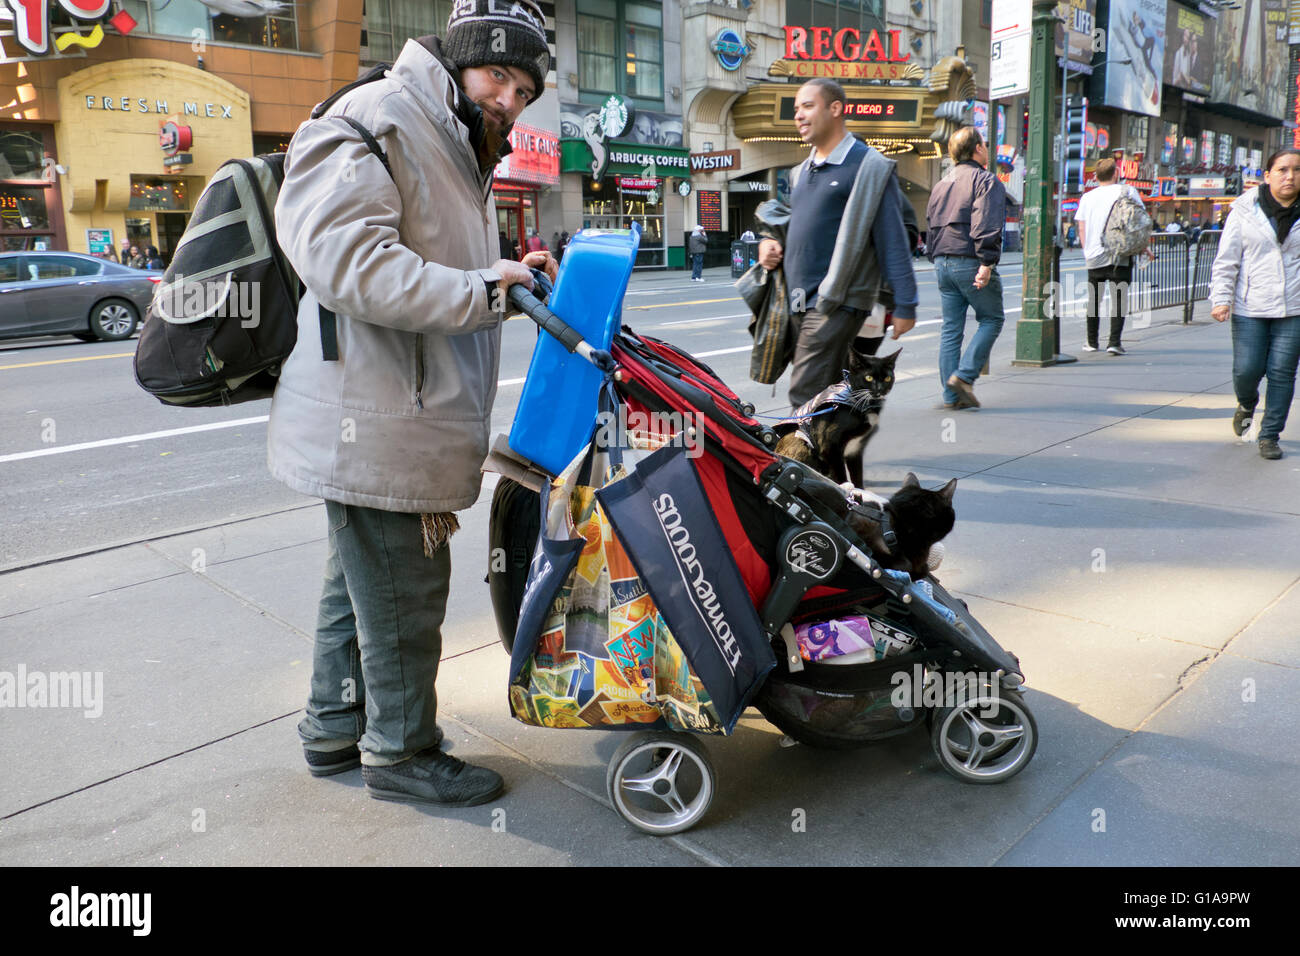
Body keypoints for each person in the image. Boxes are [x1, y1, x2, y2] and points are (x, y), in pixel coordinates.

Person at [267, 0, 556, 806]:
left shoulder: (451, 133)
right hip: (377, 414)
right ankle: (400, 753)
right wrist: (480, 291)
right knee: (404, 594)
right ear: (460, 59)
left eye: (526, 89)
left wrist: (506, 268)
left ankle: (332, 729)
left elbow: (428, 247)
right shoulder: (379, 117)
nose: (509, 98)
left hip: (395, 409)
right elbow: (349, 262)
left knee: (356, 584)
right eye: (499, 73)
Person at [756, 78, 918, 407]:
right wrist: (770, 242)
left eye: (807, 106)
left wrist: (905, 304)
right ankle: (831, 454)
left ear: (835, 109)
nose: (798, 115)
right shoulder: (801, 172)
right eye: (796, 108)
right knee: (832, 390)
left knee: (804, 391)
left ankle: (797, 457)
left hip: (837, 301)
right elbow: (792, 223)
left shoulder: (868, 166)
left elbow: (893, 239)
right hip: (798, 299)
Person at [1209, 147, 1300, 460]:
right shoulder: (1244, 210)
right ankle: (1247, 403)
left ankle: (1269, 435)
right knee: (1247, 370)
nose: (1290, 176)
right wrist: (1221, 299)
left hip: (1294, 307)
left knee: (1282, 372)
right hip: (1251, 306)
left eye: (1297, 170)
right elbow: (1227, 260)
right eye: (1283, 170)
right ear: (1267, 175)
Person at [926, 126, 1006, 409]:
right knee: (992, 318)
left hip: (942, 261)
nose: (986, 148)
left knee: (951, 329)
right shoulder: (986, 181)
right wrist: (987, 262)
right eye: (984, 144)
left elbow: (931, 226)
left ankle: (951, 397)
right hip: (969, 259)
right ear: (978, 149)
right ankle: (964, 376)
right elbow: (986, 223)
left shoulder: (941, 184)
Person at [1074, 157, 1153, 355]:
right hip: (1121, 253)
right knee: (1119, 299)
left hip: (1094, 254)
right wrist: (1144, 247)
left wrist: (1087, 251)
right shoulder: (1127, 191)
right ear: (1116, 173)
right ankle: (1114, 343)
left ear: (1096, 176)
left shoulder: (1087, 198)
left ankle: (1092, 342)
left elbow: (1081, 227)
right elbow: (1139, 224)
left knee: (1094, 301)